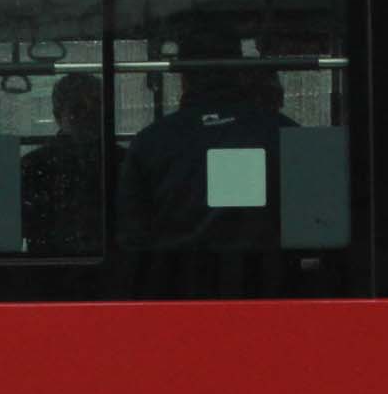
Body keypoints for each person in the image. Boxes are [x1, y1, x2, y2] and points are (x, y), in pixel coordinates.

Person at [117, 15, 293, 254]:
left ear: (183, 74)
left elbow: (131, 237)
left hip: (174, 274)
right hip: (272, 275)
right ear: (238, 70)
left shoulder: (150, 144)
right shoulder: (283, 135)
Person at [17, 70, 108, 255]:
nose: (88, 116)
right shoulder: (121, 161)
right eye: (78, 109)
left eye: (96, 108)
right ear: (58, 116)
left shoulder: (33, 164)